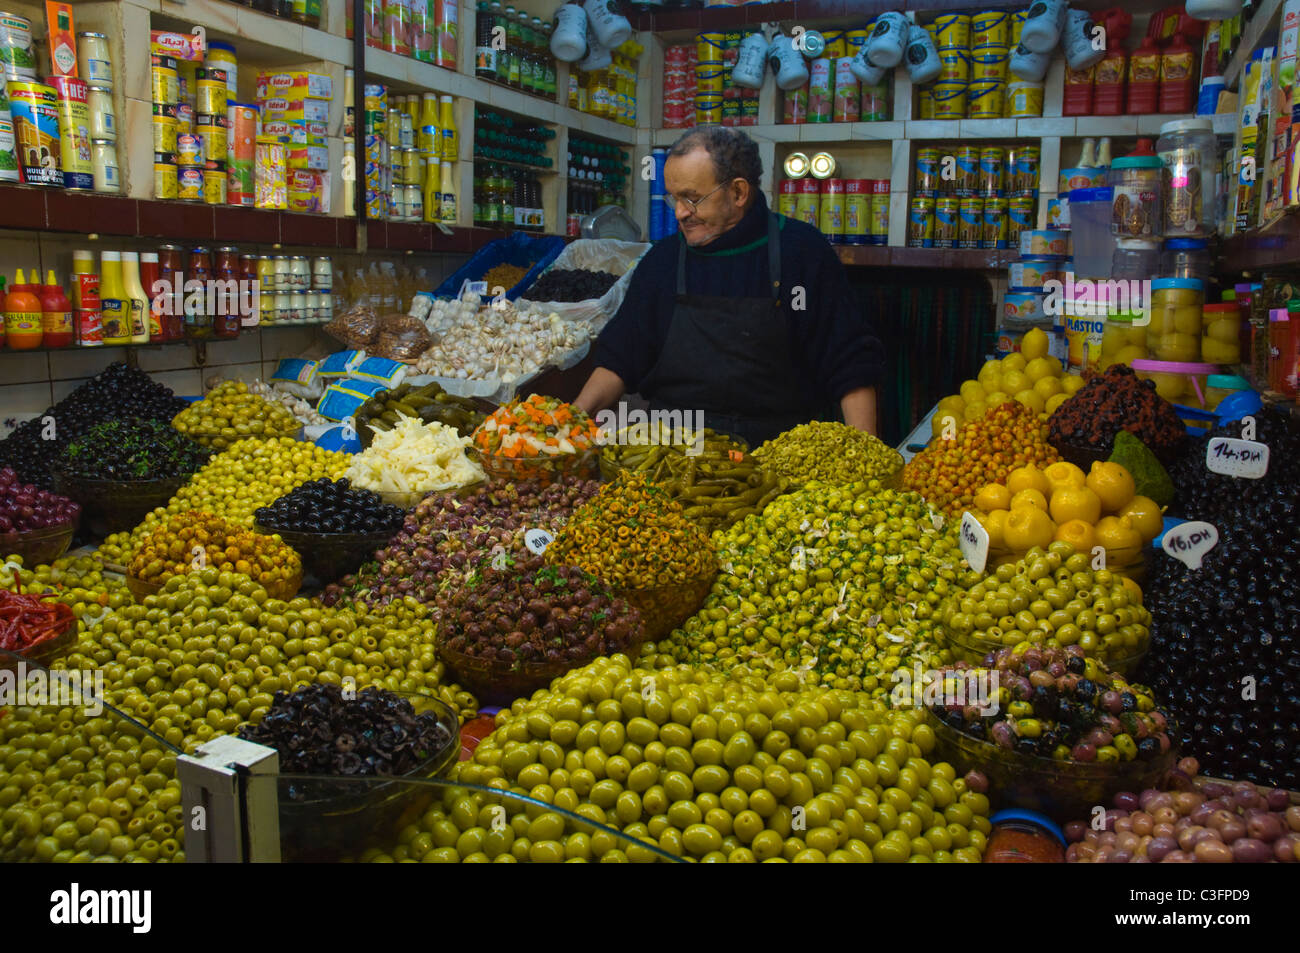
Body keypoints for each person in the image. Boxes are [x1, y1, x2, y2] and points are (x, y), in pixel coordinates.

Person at [574, 127, 885, 448]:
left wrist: (865, 456)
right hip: (675, 449)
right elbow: (620, 358)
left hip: (780, 450)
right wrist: (570, 423)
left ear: (738, 193)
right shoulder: (663, 260)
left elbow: (850, 363)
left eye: (692, 199)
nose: (680, 212)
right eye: (674, 198)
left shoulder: (802, 251)